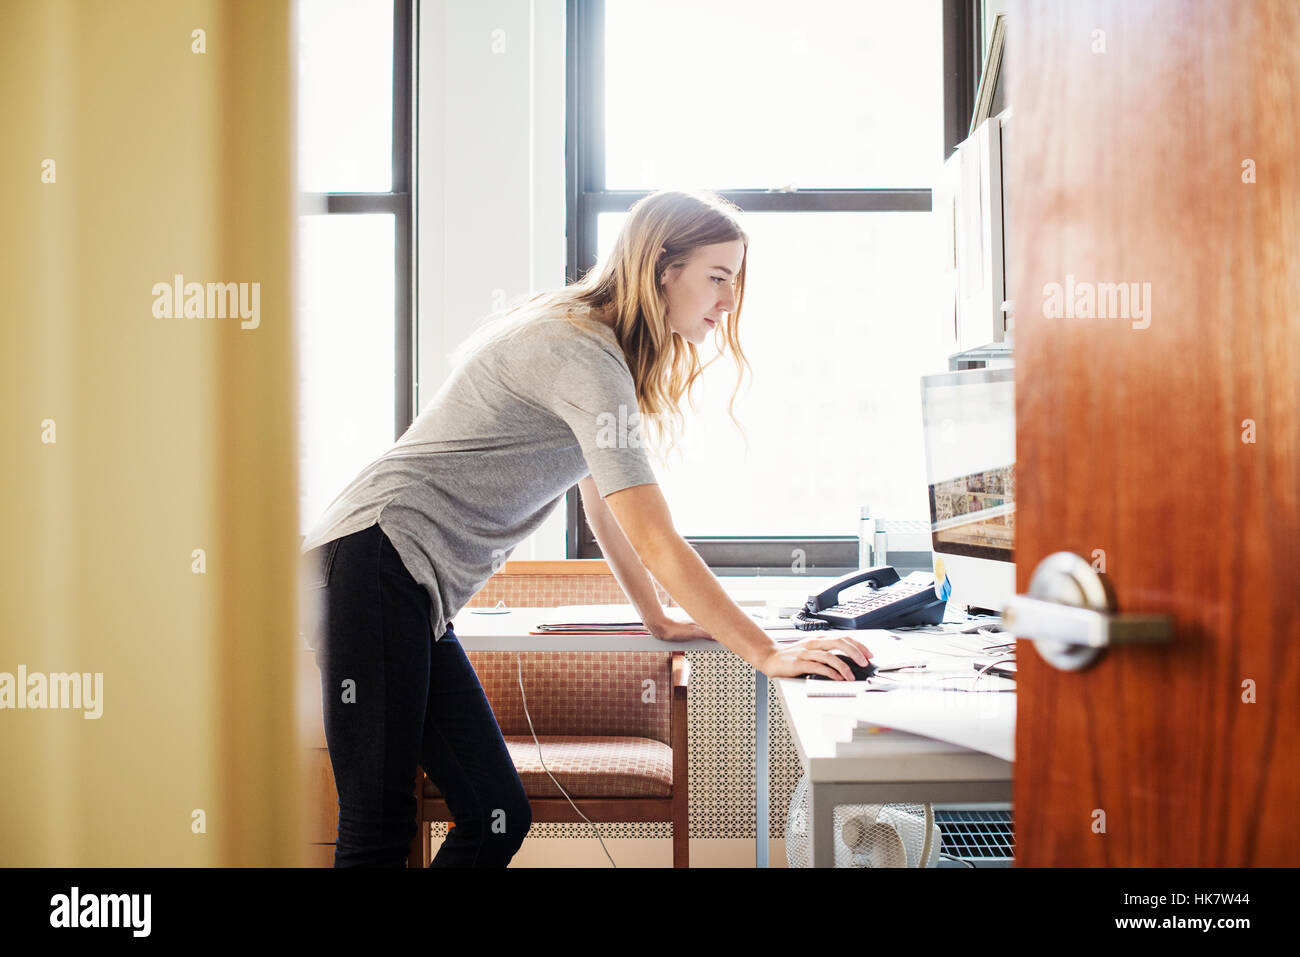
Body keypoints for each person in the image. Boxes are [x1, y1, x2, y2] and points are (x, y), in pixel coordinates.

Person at [299, 188, 873, 868]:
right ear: (664, 267)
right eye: (718, 277)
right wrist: (766, 652)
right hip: (374, 562)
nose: (728, 300)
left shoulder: (597, 352)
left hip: (402, 583)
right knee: (379, 821)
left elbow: (602, 505)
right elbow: (656, 536)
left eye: (735, 280)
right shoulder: (585, 355)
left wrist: (657, 618)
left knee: (495, 813)